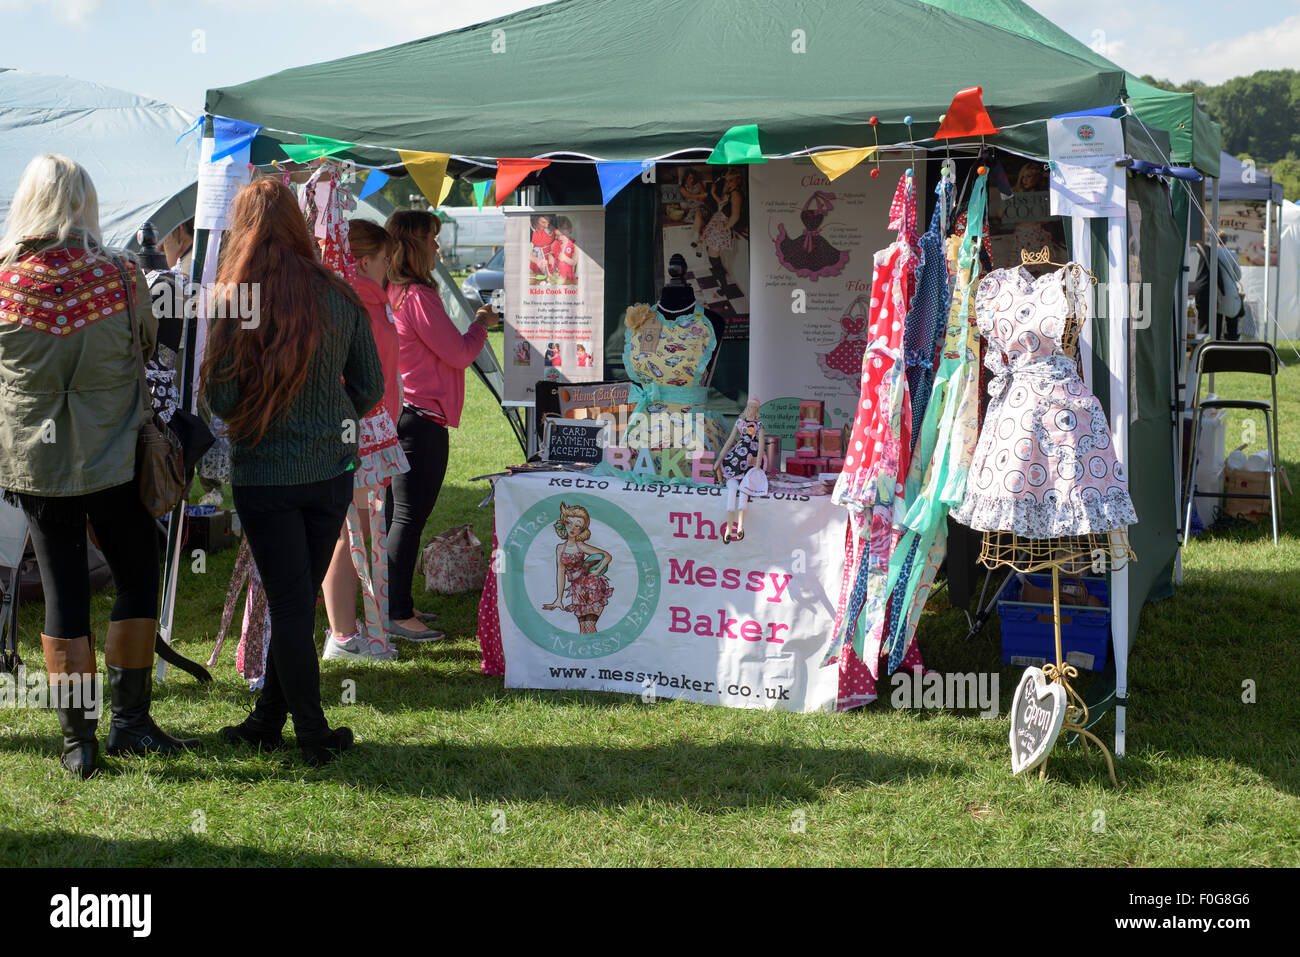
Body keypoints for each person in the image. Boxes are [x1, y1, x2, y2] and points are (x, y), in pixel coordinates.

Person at [0, 153, 198, 779]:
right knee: (136, 573)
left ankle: (77, 743)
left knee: (63, 591)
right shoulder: (122, 276)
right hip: (115, 454)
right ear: (86, 203)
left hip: (35, 462)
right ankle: (131, 724)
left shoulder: (1, 282)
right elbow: (147, 346)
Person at [202, 179, 385, 766]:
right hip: (329, 468)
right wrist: (330, 415)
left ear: (243, 229)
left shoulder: (237, 298)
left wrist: (268, 412)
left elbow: (223, 396)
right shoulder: (337, 293)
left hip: (265, 473)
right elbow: (371, 385)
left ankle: (311, 733)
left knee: (289, 600)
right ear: (300, 226)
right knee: (296, 597)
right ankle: (266, 720)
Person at [384, 210, 498, 641]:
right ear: (414, 244)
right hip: (421, 419)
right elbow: (458, 353)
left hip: (406, 414)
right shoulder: (417, 296)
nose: (437, 246)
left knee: (398, 515)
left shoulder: (395, 291)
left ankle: (395, 604)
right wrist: (481, 325)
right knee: (408, 518)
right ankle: (396, 614)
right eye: (431, 238)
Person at [321, 219, 408, 661]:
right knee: (349, 534)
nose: (392, 266)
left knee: (353, 532)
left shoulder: (372, 301)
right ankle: (342, 635)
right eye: (386, 258)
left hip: (370, 432)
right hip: (358, 435)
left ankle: (347, 630)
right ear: (364, 260)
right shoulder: (357, 304)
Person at [541, 503, 613, 634]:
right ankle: (591, 653)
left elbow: (607, 556)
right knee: (583, 630)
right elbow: (560, 573)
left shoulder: (580, 546)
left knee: (589, 627)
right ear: (564, 524)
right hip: (577, 591)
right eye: (569, 523)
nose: (572, 528)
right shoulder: (560, 548)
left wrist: (597, 571)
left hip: (591, 587)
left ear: (582, 529)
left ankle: (595, 653)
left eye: (577, 526)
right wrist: (559, 599)